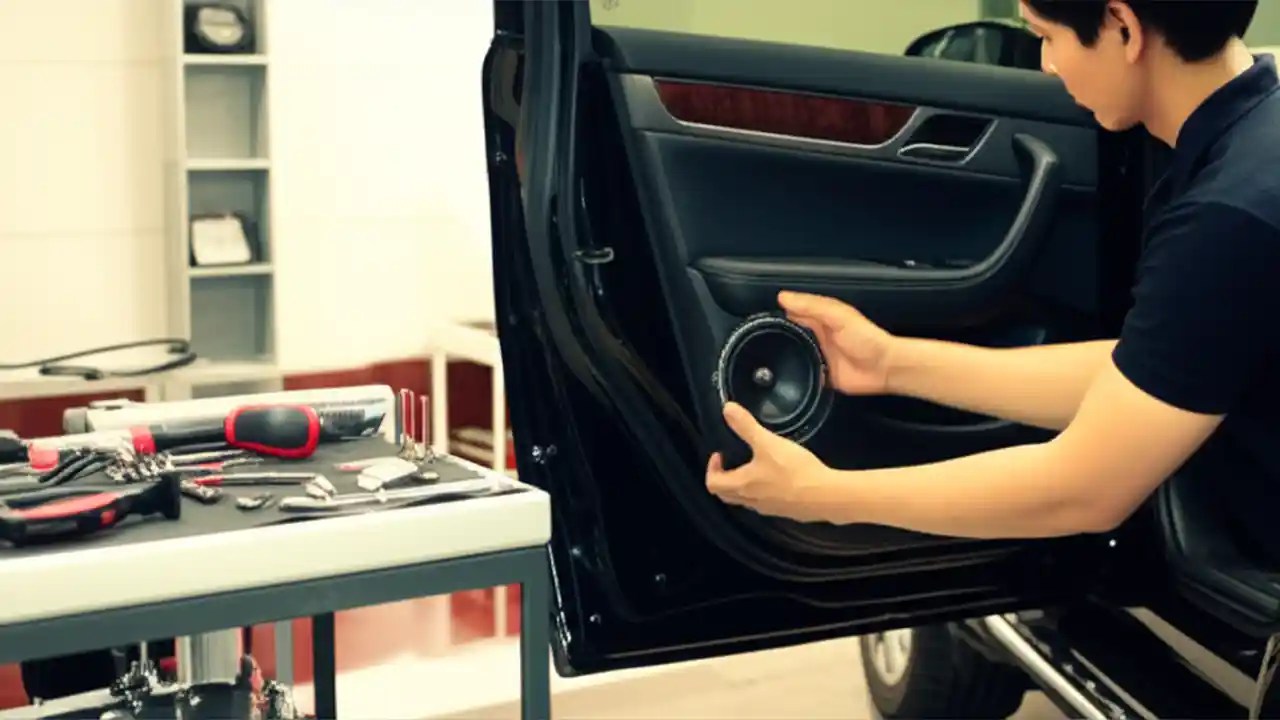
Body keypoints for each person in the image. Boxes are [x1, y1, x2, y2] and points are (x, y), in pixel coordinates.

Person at [705, 0, 1280, 556]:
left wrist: (824, 496)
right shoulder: (1255, 141)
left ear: (1122, 25)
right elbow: (1152, 372)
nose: (1046, 66)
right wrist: (888, 362)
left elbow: (1083, 491)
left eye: (1046, 37)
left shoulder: (1228, 215)